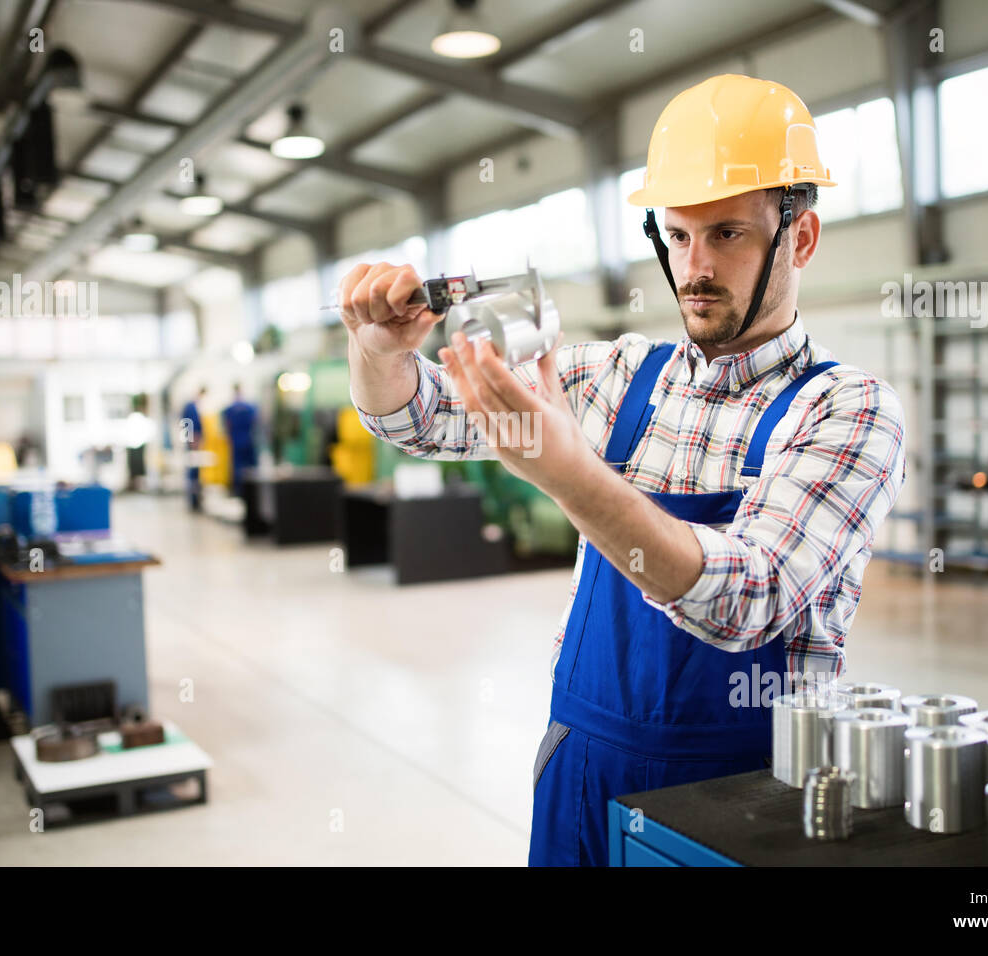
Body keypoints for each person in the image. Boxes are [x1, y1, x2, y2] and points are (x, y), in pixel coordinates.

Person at [340, 74, 906, 866]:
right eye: (677, 236)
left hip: (752, 798)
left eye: (728, 235)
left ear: (799, 238)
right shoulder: (610, 377)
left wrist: (569, 474)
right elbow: (418, 417)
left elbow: (750, 599)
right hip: (584, 768)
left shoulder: (849, 411)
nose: (696, 267)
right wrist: (378, 351)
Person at [220, 385, 258, 492]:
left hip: (235, 441)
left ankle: (238, 489)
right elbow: (255, 422)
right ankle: (251, 490)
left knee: (237, 466)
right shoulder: (250, 407)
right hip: (248, 440)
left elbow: (225, 425)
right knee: (250, 467)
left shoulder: (229, 409)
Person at [179, 387, 206, 511]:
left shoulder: (192, 406)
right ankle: (193, 501)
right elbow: (187, 423)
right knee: (193, 472)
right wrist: (192, 439)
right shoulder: (191, 407)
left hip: (193, 442)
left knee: (195, 472)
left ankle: (195, 500)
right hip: (192, 443)